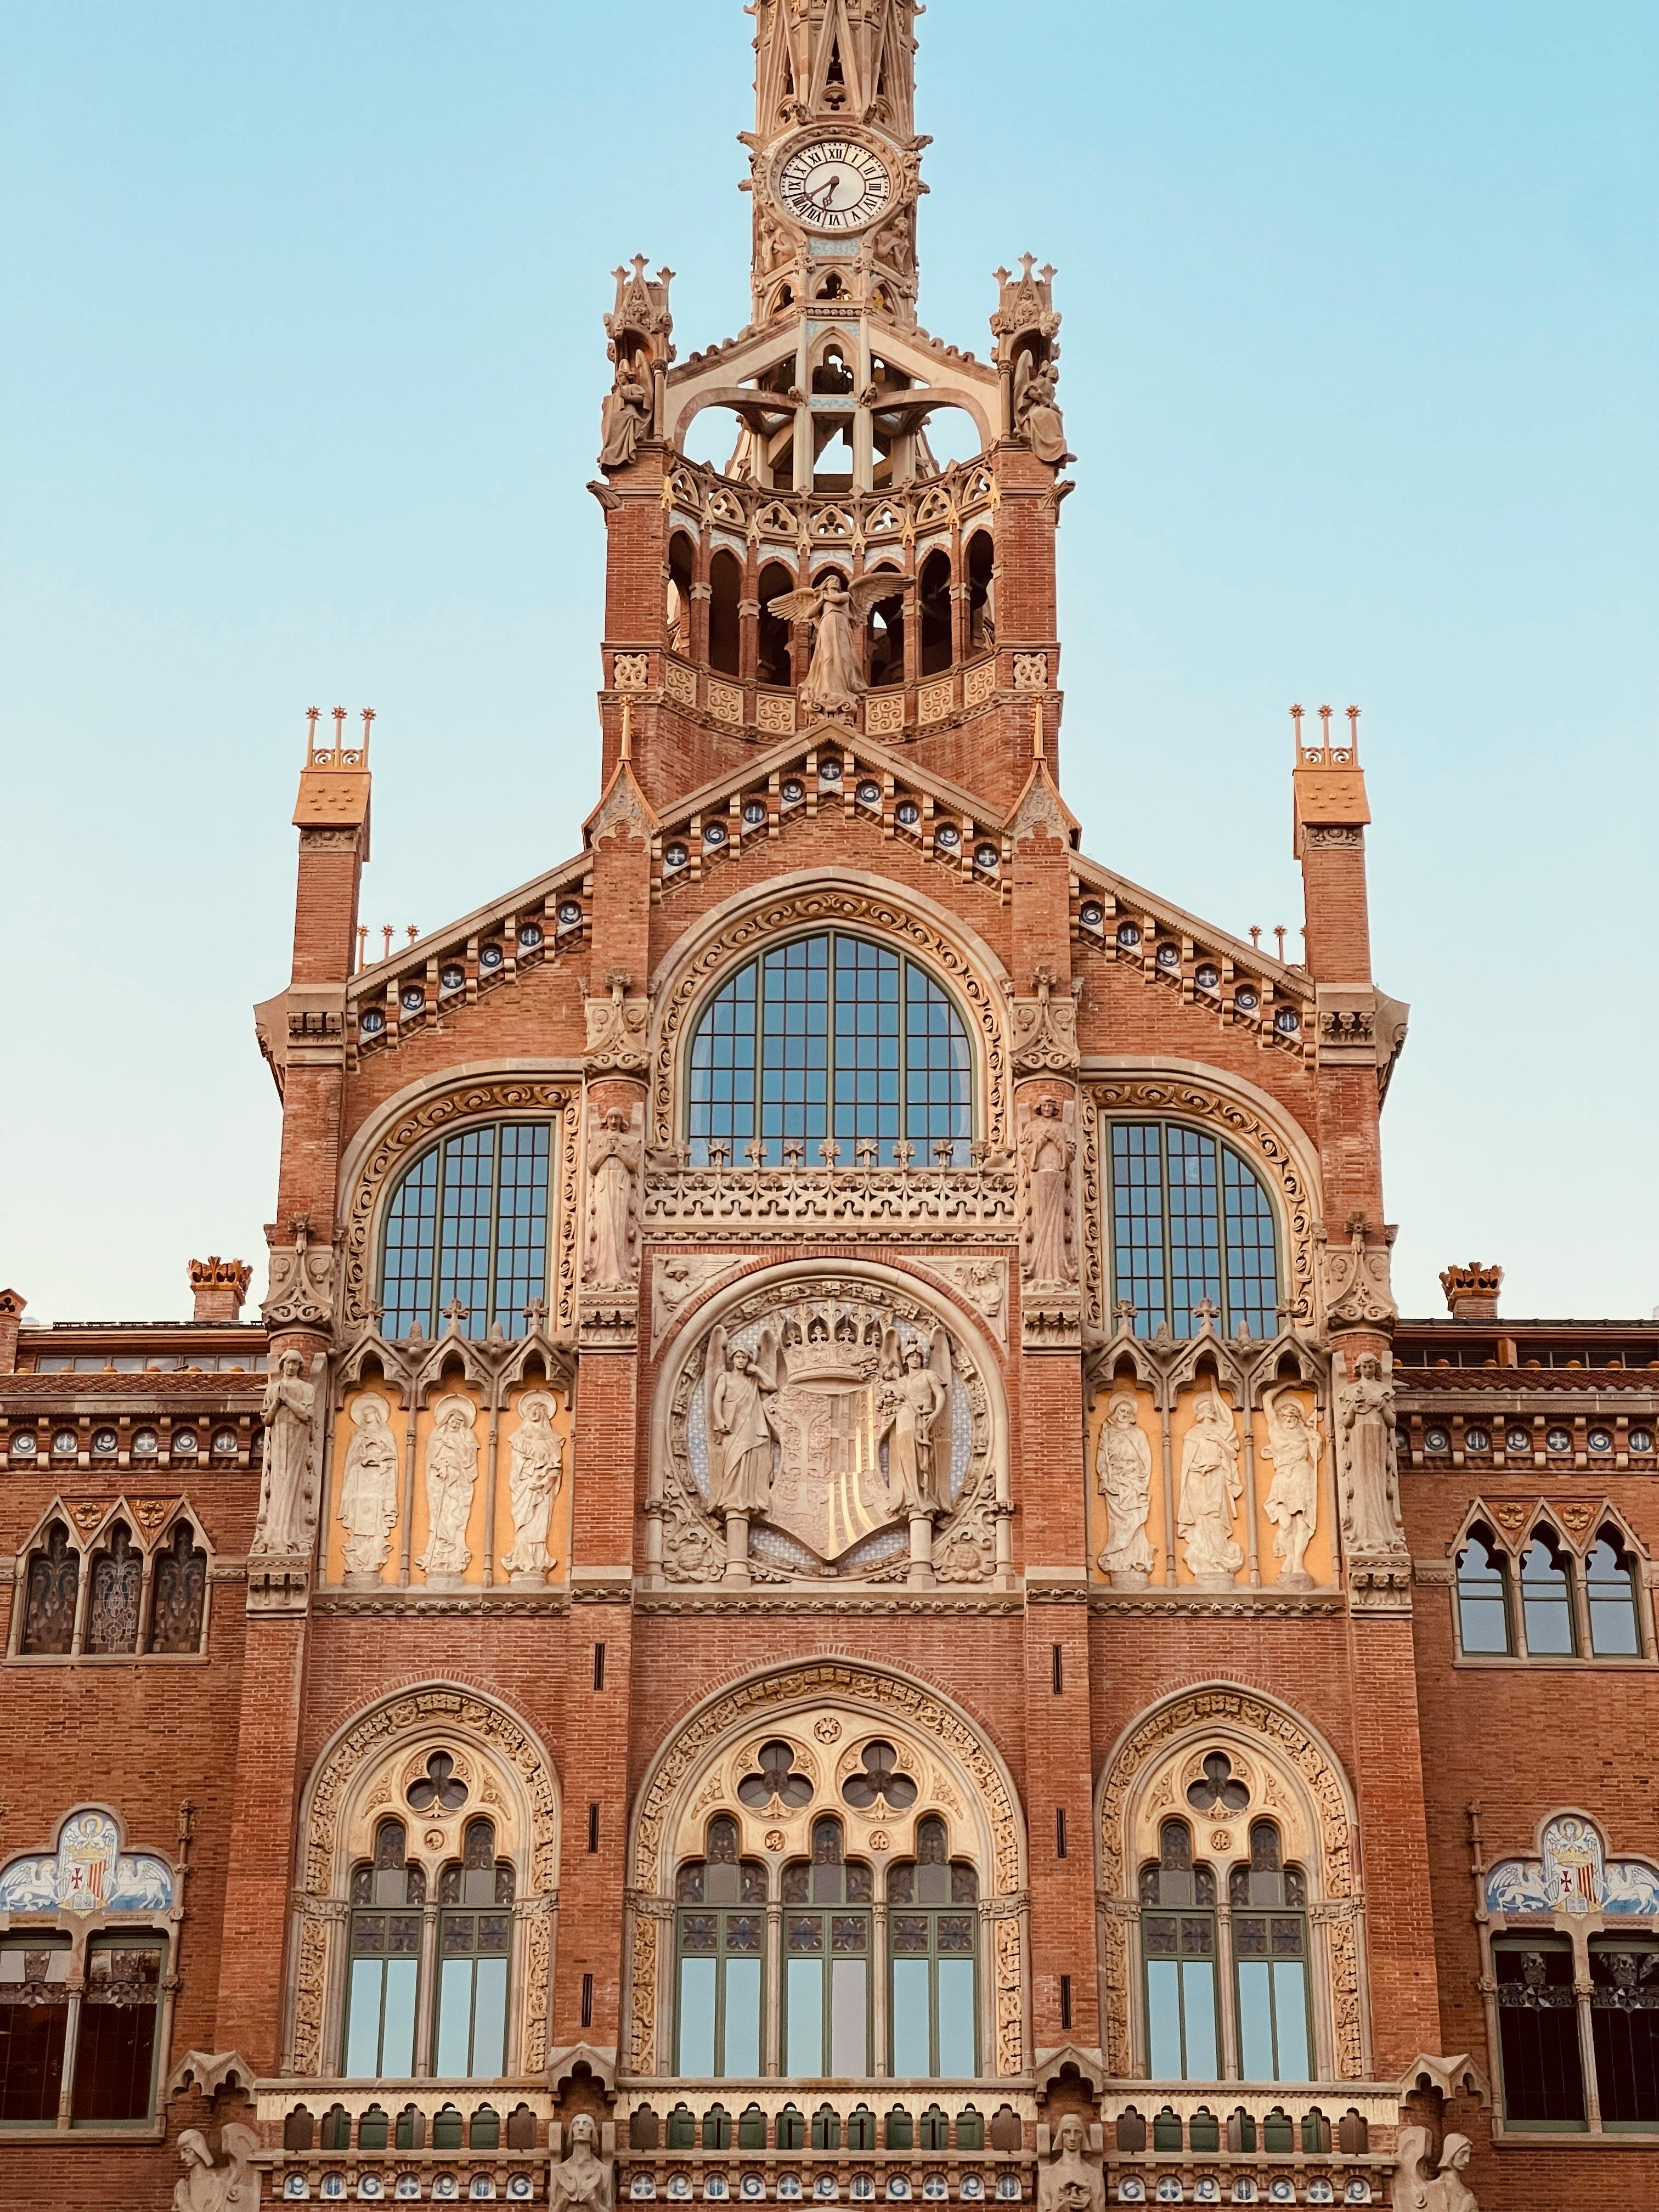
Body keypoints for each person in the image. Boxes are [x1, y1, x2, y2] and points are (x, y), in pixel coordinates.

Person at [255, 1350, 318, 1554]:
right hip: (279, 1435)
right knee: (279, 1482)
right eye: (288, 1363)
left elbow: (307, 1414)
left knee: (292, 1481)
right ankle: (275, 1533)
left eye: (296, 1364)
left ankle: (290, 1533)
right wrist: (277, 1401)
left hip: (298, 1437)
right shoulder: (273, 1389)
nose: (292, 1367)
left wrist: (287, 1400)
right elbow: (266, 1420)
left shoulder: (307, 1388)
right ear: (282, 1365)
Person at [338, 1392, 399, 1581]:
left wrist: (380, 1459)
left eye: (371, 1414)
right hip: (360, 1483)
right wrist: (363, 1457)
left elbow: (393, 1458)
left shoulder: (386, 1433)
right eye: (365, 1416)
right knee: (359, 1521)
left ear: (377, 1416)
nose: (367, 1418)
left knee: (375, 1522)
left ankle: (373, 1557)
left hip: (378, 1483)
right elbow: (351, 1460)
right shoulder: (357, 1434)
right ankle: (358, 1558)